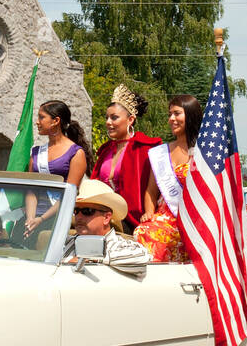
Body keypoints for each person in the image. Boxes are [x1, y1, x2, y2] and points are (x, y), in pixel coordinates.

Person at [134, 95, 202, 263]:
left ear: (191, 115)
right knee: (142, 232)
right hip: (163, 217)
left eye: (177, 113)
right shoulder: (161, 153)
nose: (171, 119)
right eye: (170, 114)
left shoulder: (203, 152)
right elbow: (151, 191)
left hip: (192, 220)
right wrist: (149, 212)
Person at [23, 100, 91, 247]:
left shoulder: (75, 153)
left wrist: (41, 219)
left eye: (41, 117)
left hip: (58, 218)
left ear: (55, 121)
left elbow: (70, 193)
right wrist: (30, 218)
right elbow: (31, 189)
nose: (37, 122)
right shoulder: (36, 153)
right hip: (31, 218)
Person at [90, 86, 160, 227]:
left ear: (130, 120)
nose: (108, 122)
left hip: (131, 219)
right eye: (107, 118)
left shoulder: (144, 149)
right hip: (102, 214)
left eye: (114, 117)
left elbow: (152, 190)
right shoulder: (106, 151)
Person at [62, 178, 150, 268]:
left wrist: (91, 259)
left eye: (87, 211)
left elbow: (144, 257)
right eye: (76, 211)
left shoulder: (124, 247)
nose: (78, 217)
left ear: (106, 217)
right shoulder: (63, 243)